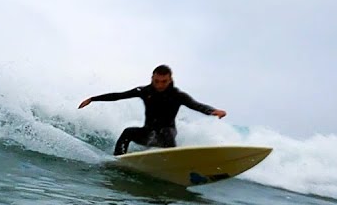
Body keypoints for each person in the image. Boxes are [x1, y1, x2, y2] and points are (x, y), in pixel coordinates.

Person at [78, 64, 226, 155]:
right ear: (152, 78)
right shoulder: (144, 91)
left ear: (170, 80)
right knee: (128, 132)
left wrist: (213, 111)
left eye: (164, 81)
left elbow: (196, 105)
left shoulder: (177, 95)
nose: (160, 85)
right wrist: (93, 99)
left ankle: (173, 158)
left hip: (166, 136)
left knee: (165, 131)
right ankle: (119, 159)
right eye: (157, 81)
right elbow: (119, 95)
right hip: (147, 134)